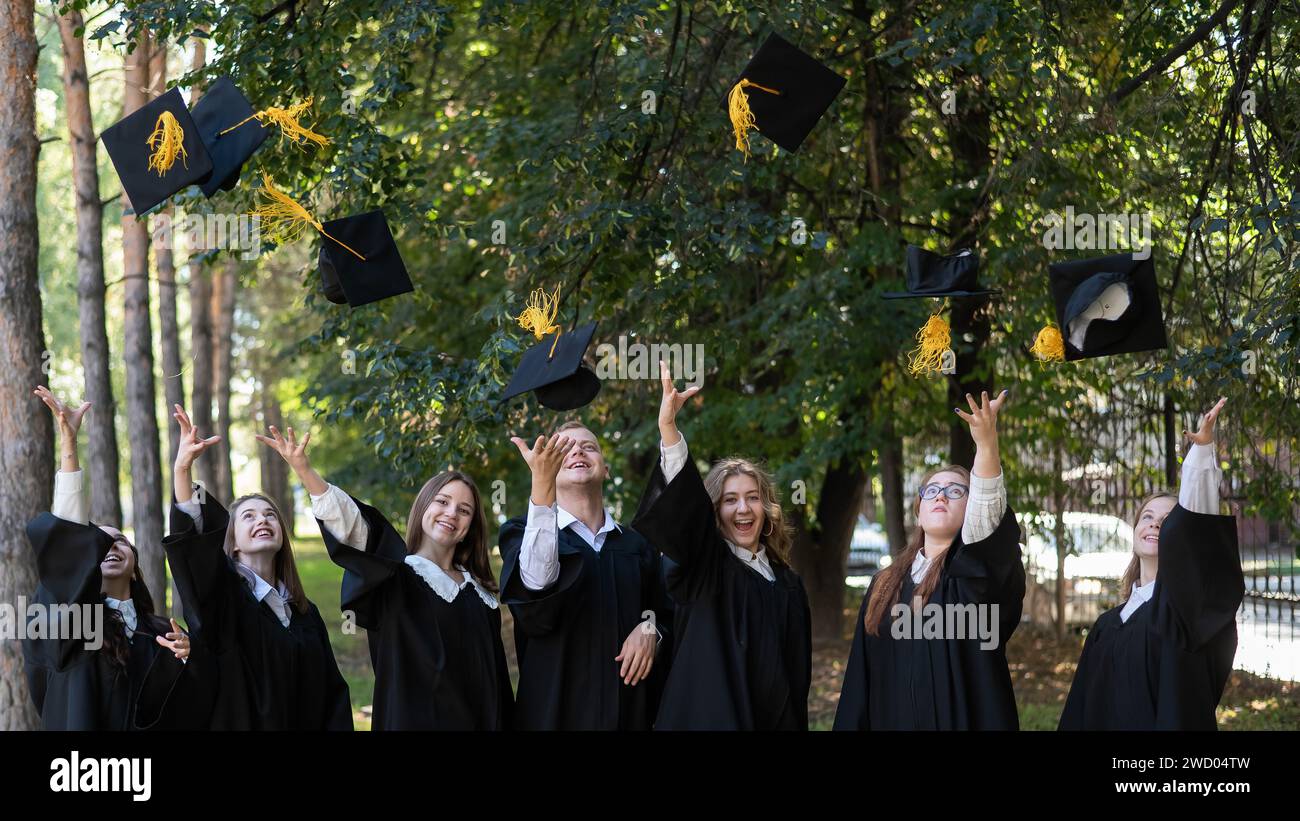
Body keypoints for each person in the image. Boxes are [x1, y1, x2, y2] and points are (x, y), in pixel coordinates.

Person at [259, 424, 512, 730]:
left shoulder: (481, 596)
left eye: (464, 510)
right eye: (442, 502)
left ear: (470, 527)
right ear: (423, 507)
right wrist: (305, 471)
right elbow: (355, 529)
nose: (451, 514)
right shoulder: (394, 576)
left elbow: (498, 682)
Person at [632, 362, 812, 729]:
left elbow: (797, 679)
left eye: (752, 498)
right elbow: (687, 514)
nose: (743, 508)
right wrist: (669, 431)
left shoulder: (789, 586)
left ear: (767, 509)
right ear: (713, 512)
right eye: (729, 500)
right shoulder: (703, 568)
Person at [834, 389, 1025, 730]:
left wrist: (985, 445)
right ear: (918, 511)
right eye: (932, 491)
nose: (941, 496)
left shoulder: (976, 578)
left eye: (956, 491)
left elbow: (987, 516)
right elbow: (859, 682)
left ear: (972, 508)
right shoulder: (885, 584)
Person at [24, 386, 203, 730]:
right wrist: (69, 448)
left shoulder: (164, 632)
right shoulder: (75, 627)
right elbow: (68, 548)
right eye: (99, 543)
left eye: (119, 540)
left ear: (135, 566)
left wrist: (189, 659)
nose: (109, 546)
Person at [164, 404, 352, 730]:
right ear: (232, 540)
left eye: (269, 515)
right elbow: (196, 550)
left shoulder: (306, 615)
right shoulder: (224, 598)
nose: (262, 520)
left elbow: (332, 697)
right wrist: (183, 471)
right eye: (248, 516)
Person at [1059, 397, 1243, 730]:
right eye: (1147, 516)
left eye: (1167, 520)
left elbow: (1196, 528)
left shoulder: (1184, 615)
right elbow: (1081, 710)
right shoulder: (1105, 626)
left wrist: (1200, 457)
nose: (1155, 524)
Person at [498, 421, 670, 730]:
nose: (577, 449)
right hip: (553, 715)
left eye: (589, 446)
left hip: (629, 715)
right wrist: (542, 485)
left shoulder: (637, 546)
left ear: (605, 470)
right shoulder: (522, 534)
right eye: (565, 448)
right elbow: (536, 591)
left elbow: (660, 610)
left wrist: (649, 627)